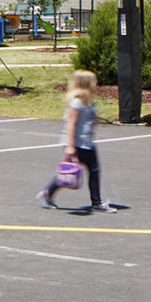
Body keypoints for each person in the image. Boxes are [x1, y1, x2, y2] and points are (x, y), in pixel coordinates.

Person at [40, 70, 113, 212]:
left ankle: (48, 193)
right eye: (93, 82)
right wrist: (70, 146)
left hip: (87, 142)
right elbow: (71, 124)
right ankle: (96, 203)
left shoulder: (86, 102)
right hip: (78, 144)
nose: (95, 85)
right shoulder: (76, 102)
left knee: (82, 171)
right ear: (86, 84)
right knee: (79, 171)